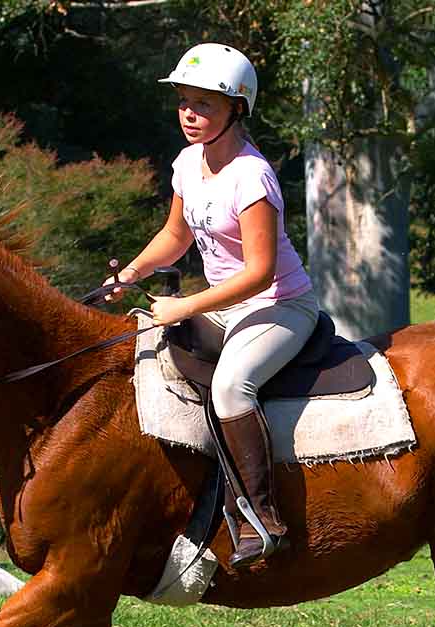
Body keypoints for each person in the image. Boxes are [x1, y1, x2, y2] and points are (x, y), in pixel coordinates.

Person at [105, 43, 319, 568]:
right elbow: (174, 236)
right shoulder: (186, 163)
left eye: (204, 105)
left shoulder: (252, 177)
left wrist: (186, 305)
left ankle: (262, 519)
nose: (189, 115)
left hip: (279, 305)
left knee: (230, 387)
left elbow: (260, 273)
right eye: (183, 102)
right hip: (225, 304)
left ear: (237, 109)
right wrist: (130, 272)